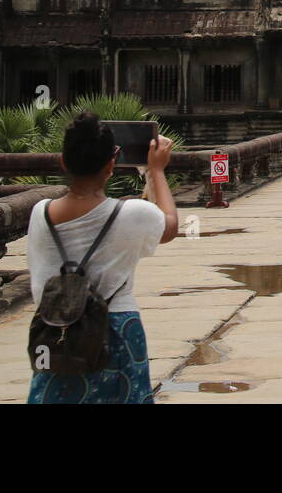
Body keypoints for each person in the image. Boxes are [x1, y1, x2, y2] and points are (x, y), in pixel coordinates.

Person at [26, 112, 178, 404]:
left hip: (55, 329)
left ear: (63, 161)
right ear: (112, 164)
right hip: (115, 327)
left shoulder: (40, 212)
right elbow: (169, 225)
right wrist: (155, 172)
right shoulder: (132, 213)